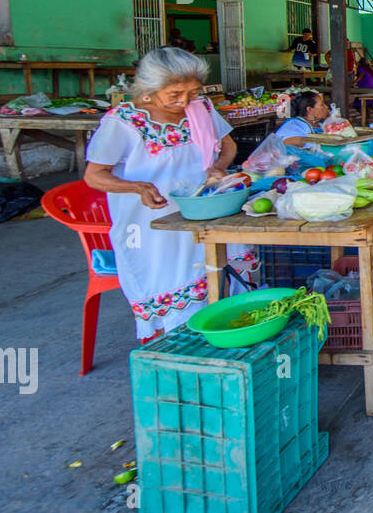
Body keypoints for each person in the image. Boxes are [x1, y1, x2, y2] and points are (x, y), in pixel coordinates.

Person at [83, 47, 257, 342]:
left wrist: (217, 167)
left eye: (192, 92)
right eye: (175, 93)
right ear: (149, 89)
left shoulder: (200, 108)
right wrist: (137, 187)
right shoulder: (122, 122)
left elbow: (227, 145)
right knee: (177, 290)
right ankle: (180, 348)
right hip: (153, 226)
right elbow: (94, 175)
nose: (185, 101)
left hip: (206, 212)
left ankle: (225, 339)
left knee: (221, 274)